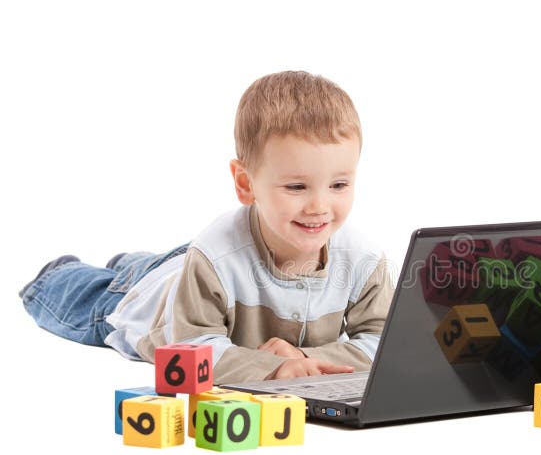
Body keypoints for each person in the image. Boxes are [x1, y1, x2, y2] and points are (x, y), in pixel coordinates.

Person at [19, 70, 394, 384]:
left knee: (162, 266)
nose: (319, 206)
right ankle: (62, 274)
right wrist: (275, 368)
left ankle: (137, 264)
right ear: (245, 184)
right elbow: (189, 349)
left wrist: (303, 356)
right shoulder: (216, 257)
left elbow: (387, 342)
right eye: (296, 187)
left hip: (192, 266)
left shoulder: (361, 260)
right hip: (154, 308)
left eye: (339, 185)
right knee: (100, 302)